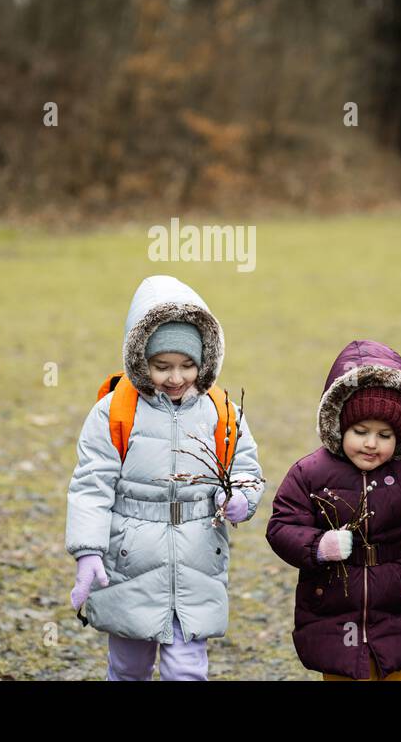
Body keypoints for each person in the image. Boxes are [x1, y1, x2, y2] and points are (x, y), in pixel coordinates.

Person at [65, 274, 263, 680]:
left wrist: (241, 498)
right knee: (128, 666)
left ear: (204, 360)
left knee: (187, 668)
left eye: (187, 365)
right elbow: (92, 485)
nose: (176, 378)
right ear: (141, 360)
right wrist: (87, 551)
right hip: (130, 563)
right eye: (162, 367)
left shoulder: (221, 411)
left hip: (197, 560)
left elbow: (246, 469)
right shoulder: (113, 413)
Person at [266, 340, 401, 680]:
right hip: (334, 599)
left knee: (400, 666)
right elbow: (281, 526)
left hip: (397, 595)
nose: (371, 443)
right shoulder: (310, 472)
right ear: (339, 425)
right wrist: (319, 546)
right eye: (360, 431)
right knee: (343, 669)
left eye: (384, 435)